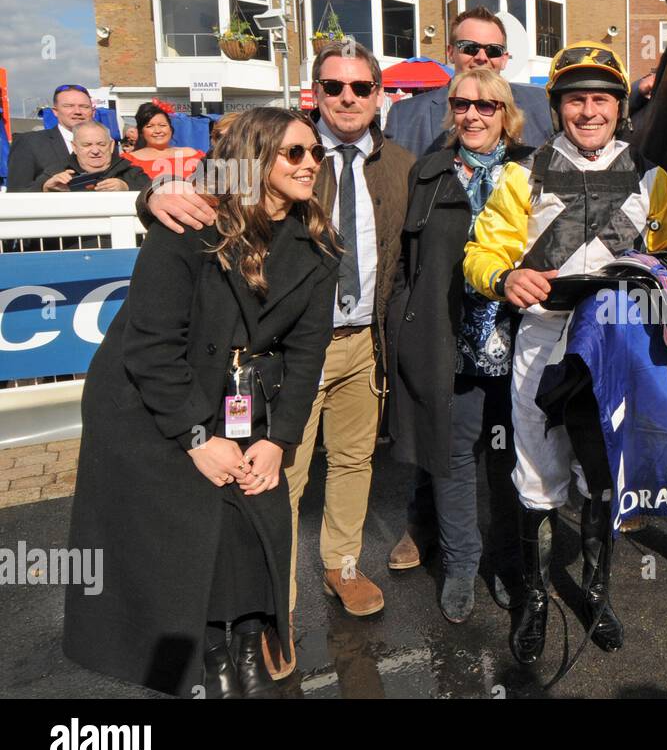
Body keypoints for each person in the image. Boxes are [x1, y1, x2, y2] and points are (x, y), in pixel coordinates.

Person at [142, 42, 415, 650]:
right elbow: (189, 196)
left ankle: (342, 565)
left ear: (378, 96)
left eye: (361, 88)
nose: (348, 97)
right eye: (334, 86)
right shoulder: (278, 148)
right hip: (283, 353)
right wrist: (151, 197)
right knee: (281, 473)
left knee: (352, 462)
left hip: (360, 343)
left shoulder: (403, 164)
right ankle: (275, 602)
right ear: (314, 92)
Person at [63, 108, 340, 698]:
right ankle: (207, 655)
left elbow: (308, 351)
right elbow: (150, 345)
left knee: (252, 517)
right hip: (151, 405)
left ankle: (247, 645)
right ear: (256, 159)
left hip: (242, 400)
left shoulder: (318, 245)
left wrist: (278, 439)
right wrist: (195, 438)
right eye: (294, 153)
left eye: (315, 152)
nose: (311, 162)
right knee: (189, 534)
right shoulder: (191, 226)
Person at [463, 41, 667, 664]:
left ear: (620, 108)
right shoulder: (520, 174)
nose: (589, 112)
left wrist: (665, 297)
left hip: (619, 348)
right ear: (558, 107)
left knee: (603, 476)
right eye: (576, 100)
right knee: (537, 473)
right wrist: (504, 279)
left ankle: (595, 592)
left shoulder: (652, 177)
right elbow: (481, 254)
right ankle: (535, 598)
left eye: (602, 100)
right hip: (542, 343)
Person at [385, 67, 531, 622]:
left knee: (508, 460)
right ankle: (462, 564)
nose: (472, 114)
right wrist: (404, 320)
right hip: (450, 342)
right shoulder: (427, 172)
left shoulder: (534, 170)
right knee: (450, 461)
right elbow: (401, 260)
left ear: (505, 113)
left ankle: (506, 561)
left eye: (486, 106)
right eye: (462, 103)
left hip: (519, 342)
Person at [385, 7, 552, 155]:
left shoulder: (541, 104)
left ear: (504, 59)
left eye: (493, 50)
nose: (481, 57)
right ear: (450, 53)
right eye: (470, 48)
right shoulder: (406, 116)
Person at [7, 84, 95, 191]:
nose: (77, 111)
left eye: (84, 107)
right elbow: (15, 191)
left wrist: (121, 185)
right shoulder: (29, 142)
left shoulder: (104, 143)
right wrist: (44, 188)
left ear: (93, 112)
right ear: (55, 111)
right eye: (68, 106)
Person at [34, 121, 151, 193]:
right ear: (74, 147)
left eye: (101, 144)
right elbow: (20, 196)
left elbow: (156, 192)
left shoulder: (131, 172)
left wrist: (126, 187)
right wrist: (45, 188)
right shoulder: (56, 172)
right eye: (87, 145)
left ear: (111, 146)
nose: (95, 151)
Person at [123, 101, 206, 181]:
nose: (158, 131)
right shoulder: (128, 161)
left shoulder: (192, 154)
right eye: (150, 126)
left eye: (162, 125)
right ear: (141, 132)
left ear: (170, 129)